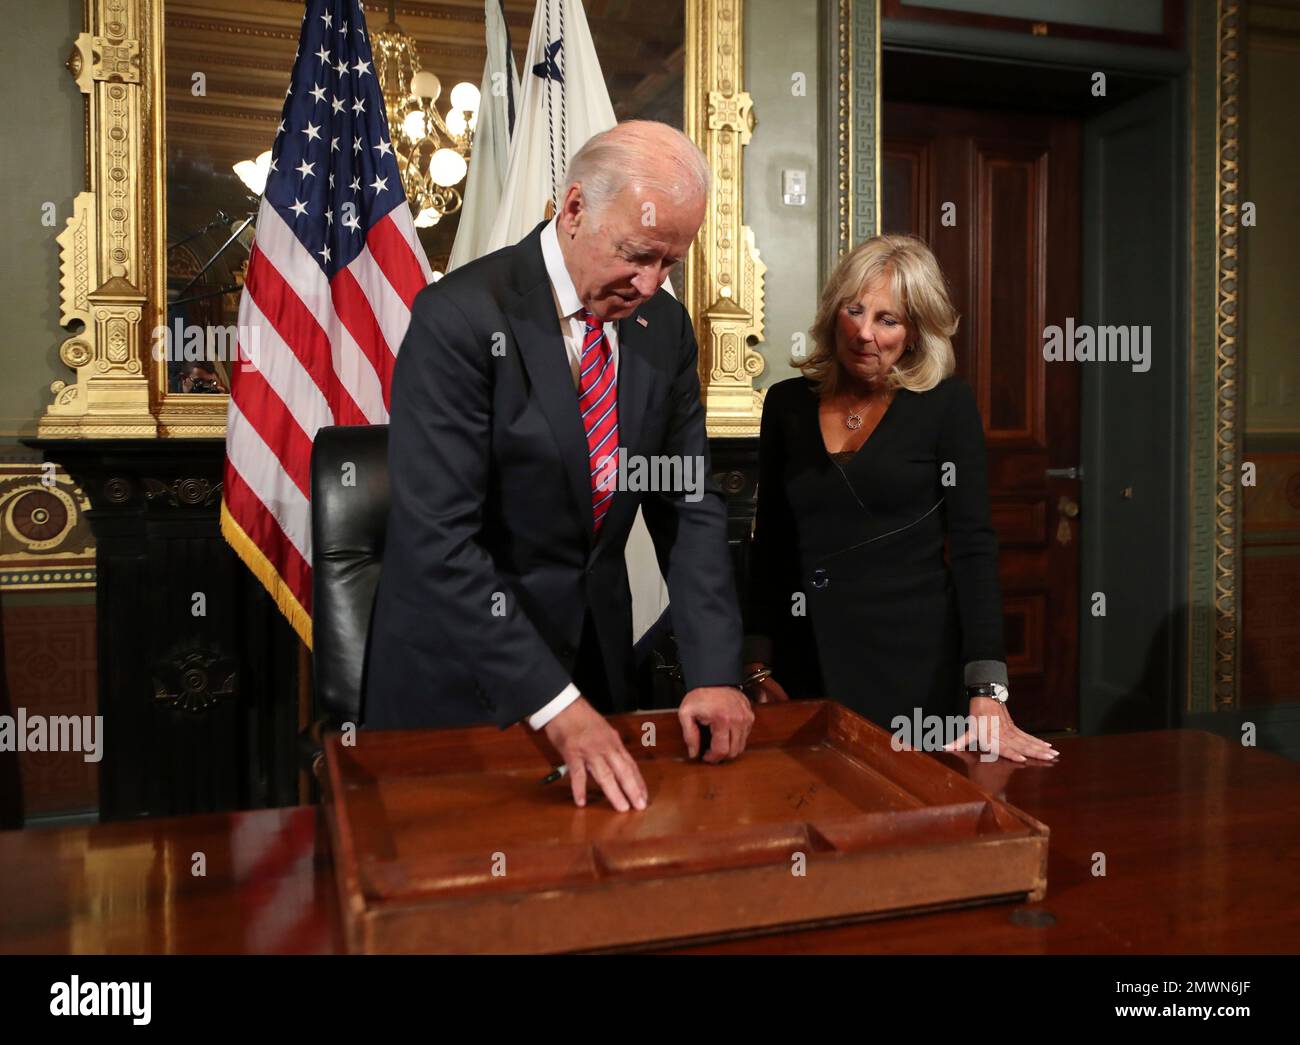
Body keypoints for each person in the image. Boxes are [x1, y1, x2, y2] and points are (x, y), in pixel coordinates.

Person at [364, 121, 755, 809]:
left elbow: (688, 506)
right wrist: (554, 704)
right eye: (637, 254)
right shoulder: (458, 317)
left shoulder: (663, 329)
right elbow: (438, 538)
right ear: (573, 208)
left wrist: (715, 669)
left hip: (598, 671)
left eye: (670, 262)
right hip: (463, 688)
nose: (650, 282)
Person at [744, 234, 1056, 764]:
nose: (865, 333)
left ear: (914, 333)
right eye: (855, 310)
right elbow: (770, 541)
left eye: (888, 320)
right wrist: (756, 664)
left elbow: (974, 546)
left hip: (914, 667)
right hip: (805, 663)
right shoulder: (786, 403)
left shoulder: (945, 406)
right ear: (833, 312)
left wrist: (987, 689)